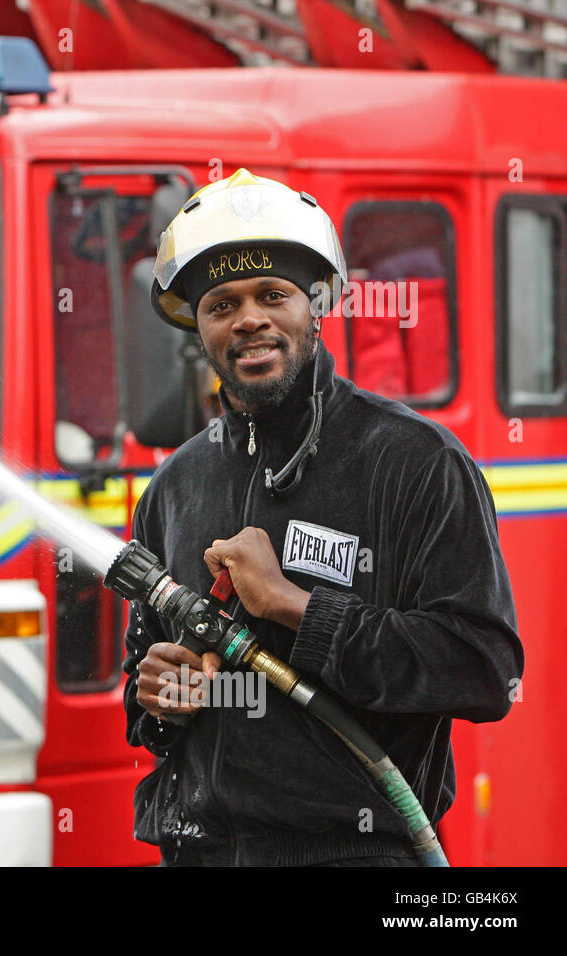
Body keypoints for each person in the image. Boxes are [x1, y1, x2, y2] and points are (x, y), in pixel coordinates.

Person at [122, 169, 524, 866]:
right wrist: (158, 698)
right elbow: (144, 689)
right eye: (221, 304)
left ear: (317, 305)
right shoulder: (174, 486)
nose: (248, 318)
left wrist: (293, 606)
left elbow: (485, 671)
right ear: (200, 327)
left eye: (272, 295)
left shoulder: (415, 463)